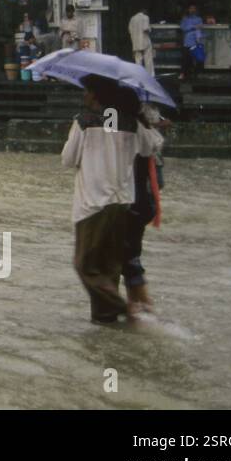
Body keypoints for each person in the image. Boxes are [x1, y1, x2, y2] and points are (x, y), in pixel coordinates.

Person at [60, 74, 158, 324]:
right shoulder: (132, 123)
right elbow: (149, 149)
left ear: (96, 94)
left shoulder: (83, 122)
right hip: (122, 202)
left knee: (85, 266)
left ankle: (127, 309)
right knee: (110, 269)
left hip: (92, 204)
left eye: (87, 91)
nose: (84, 96)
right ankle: (105, 320)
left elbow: (67, 160)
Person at [124, 103, 168, 315]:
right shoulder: (151, 138)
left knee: (128, 256)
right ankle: (138, 303)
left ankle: (140, 304)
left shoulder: (137, 134)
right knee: (131, 254)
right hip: (144, 204)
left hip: (134, 204)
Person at [180, 4, 205, 81]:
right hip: (187, 42)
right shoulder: (185, 19)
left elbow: (200, 27)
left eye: (194, 8)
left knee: (198, 59)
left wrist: (192, 28)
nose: (192, 10)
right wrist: (193, 27)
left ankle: (196, 74)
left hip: (196, 42)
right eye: (191, 8)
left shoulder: (199, 19)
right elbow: (183, 28)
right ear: (188, 9)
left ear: (196, 10)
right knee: (186, 59)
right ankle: (184, 74)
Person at [128, 6, 154, 76]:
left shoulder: (132, 18)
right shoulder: (145, 17)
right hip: (145, 41)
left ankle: (139, 75)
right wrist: (150, 28)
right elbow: (145, 28)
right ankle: (149, 75)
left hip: (136, 42)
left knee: (138, 59)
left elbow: (130, 30)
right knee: (148, 59)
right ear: (144, 11)